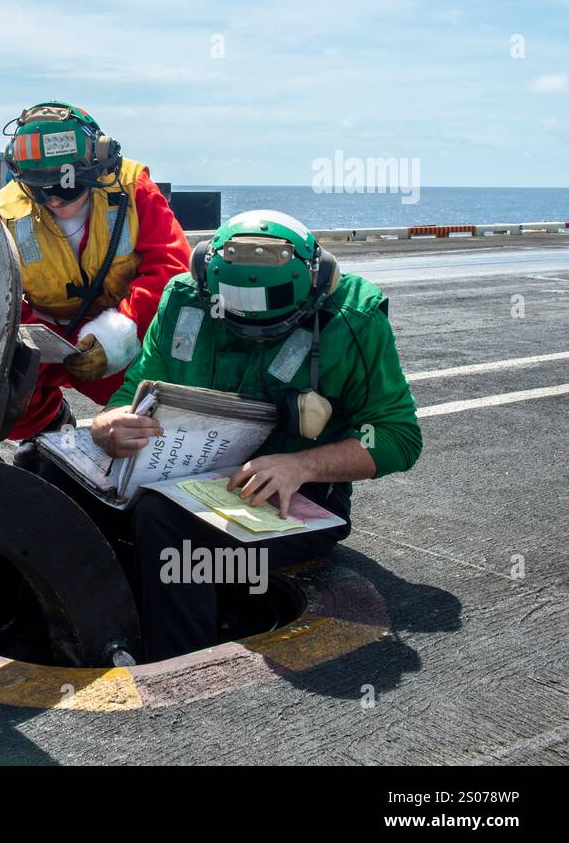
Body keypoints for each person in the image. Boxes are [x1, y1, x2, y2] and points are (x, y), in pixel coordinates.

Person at [91, 209, 422, 660]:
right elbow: (135, 389)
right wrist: (109, 422)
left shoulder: (354, 317)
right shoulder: (184, 299)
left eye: (272, 329)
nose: (255, 338)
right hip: (186, 474)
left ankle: (181, 666)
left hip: (299, 496)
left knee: (162, 522)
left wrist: (301, 466)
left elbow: (398, 435)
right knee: (43, 472)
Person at [0, 102, 190, 466]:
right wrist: (30, 337)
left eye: (65, 188)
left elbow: (171, 269)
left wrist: (119, 333)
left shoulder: (133, 188)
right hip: (50, 341)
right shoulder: (6, 209)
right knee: (5, 386)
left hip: (131, 338)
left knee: (156, 402)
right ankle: (52, 428)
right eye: (39, 190)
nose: (53, 198)